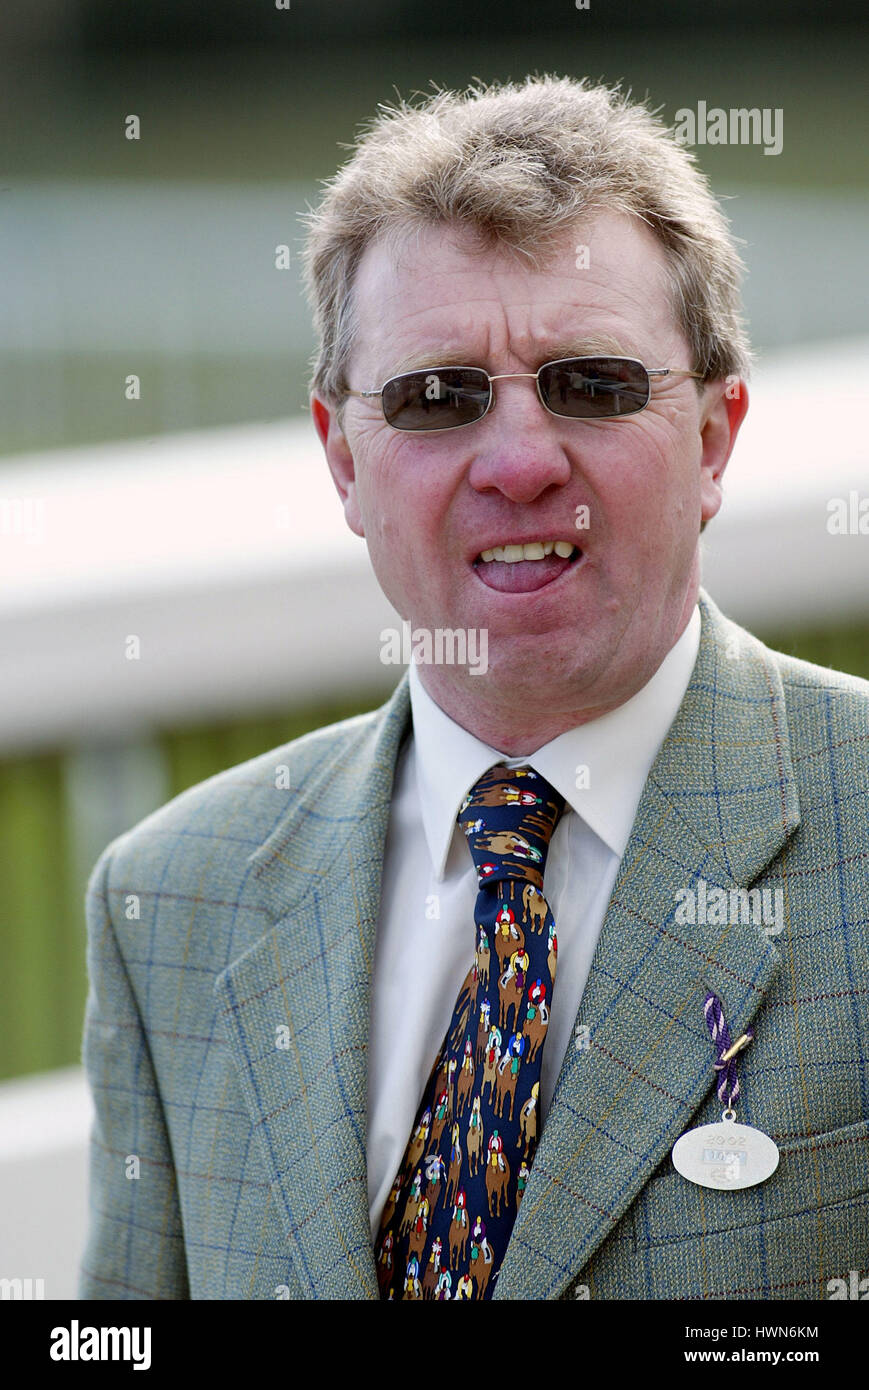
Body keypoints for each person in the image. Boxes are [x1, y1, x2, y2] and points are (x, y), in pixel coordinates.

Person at [78, 75, 869, 1301]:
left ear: (713, 437)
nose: (516, 461)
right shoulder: (172, 901)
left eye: (591, 383)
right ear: (342, 459)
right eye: (435, 397)